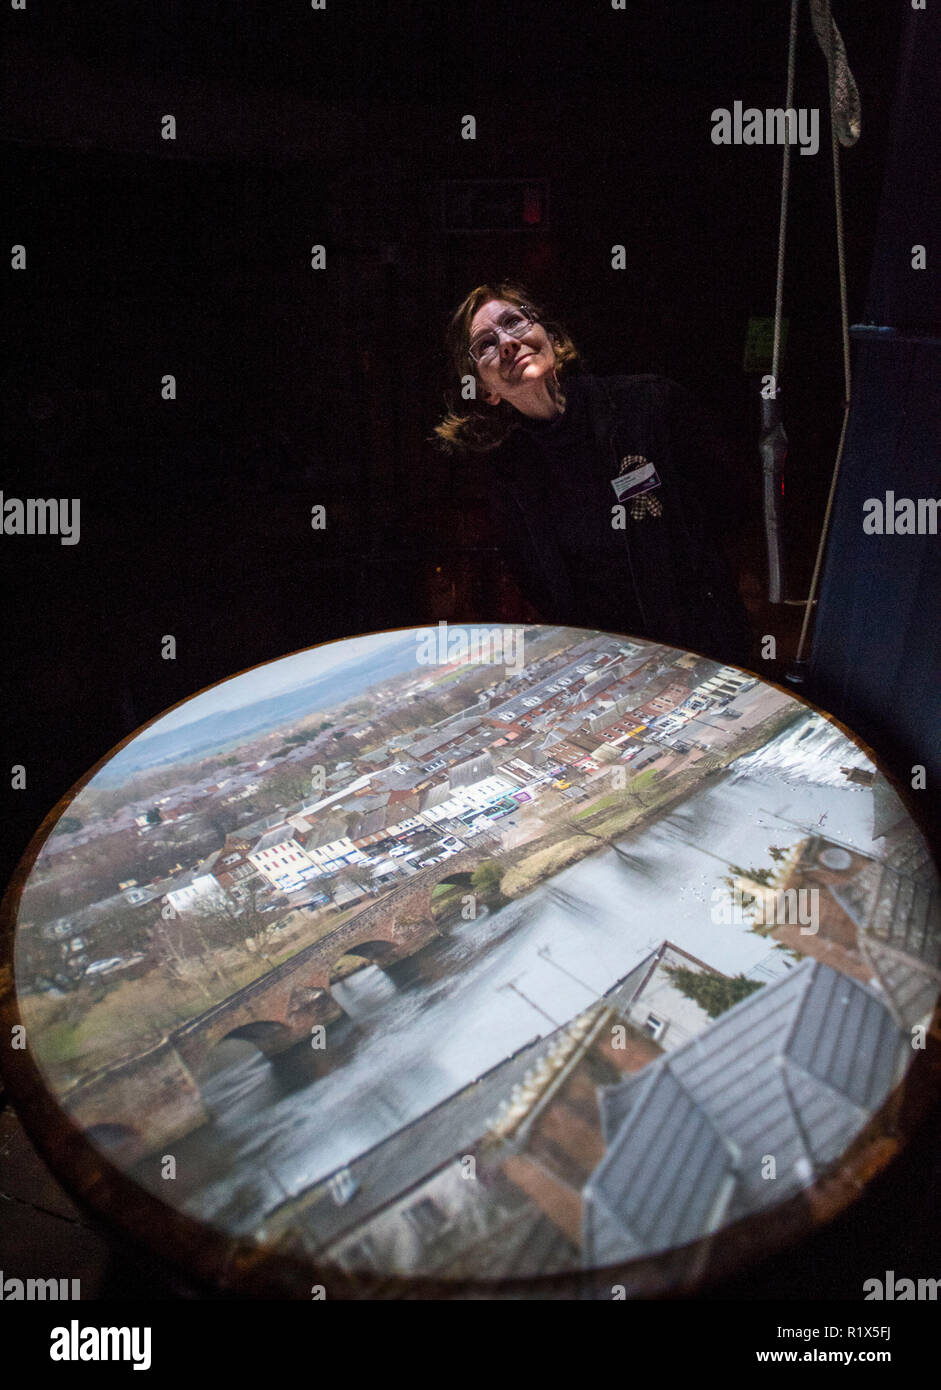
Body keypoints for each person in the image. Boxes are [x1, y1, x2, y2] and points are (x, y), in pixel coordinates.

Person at [433, 281, 753, 668]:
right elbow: (540, 584)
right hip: (608, 667)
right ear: (486, 391)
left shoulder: (649, 406)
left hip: (704, 647)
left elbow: (731, 510)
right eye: (486, 343)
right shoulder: (509, 474)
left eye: (514, 322)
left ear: (548, 335)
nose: (507, 343)